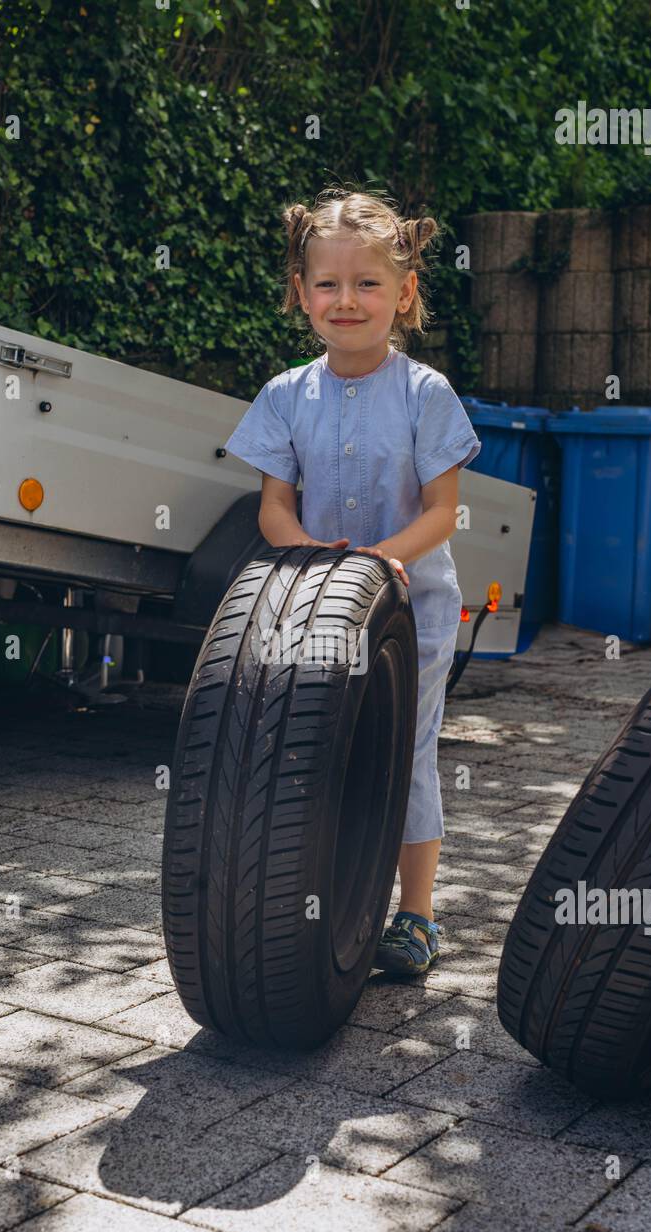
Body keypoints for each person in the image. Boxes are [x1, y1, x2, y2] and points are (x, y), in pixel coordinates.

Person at [223, 187, 481, 977]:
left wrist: (380, 560)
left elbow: (442, 513)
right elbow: (273, 510)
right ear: (300, 293)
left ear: (403, 294)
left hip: (412, 613)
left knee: (403, 752)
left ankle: (416, 917)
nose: (346, 300)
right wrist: (308, 555)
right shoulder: (285, 395)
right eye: (327, 284)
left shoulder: (425, 394)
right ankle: (323, 898)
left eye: (367, 284)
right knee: (314, 750)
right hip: (313, 610)